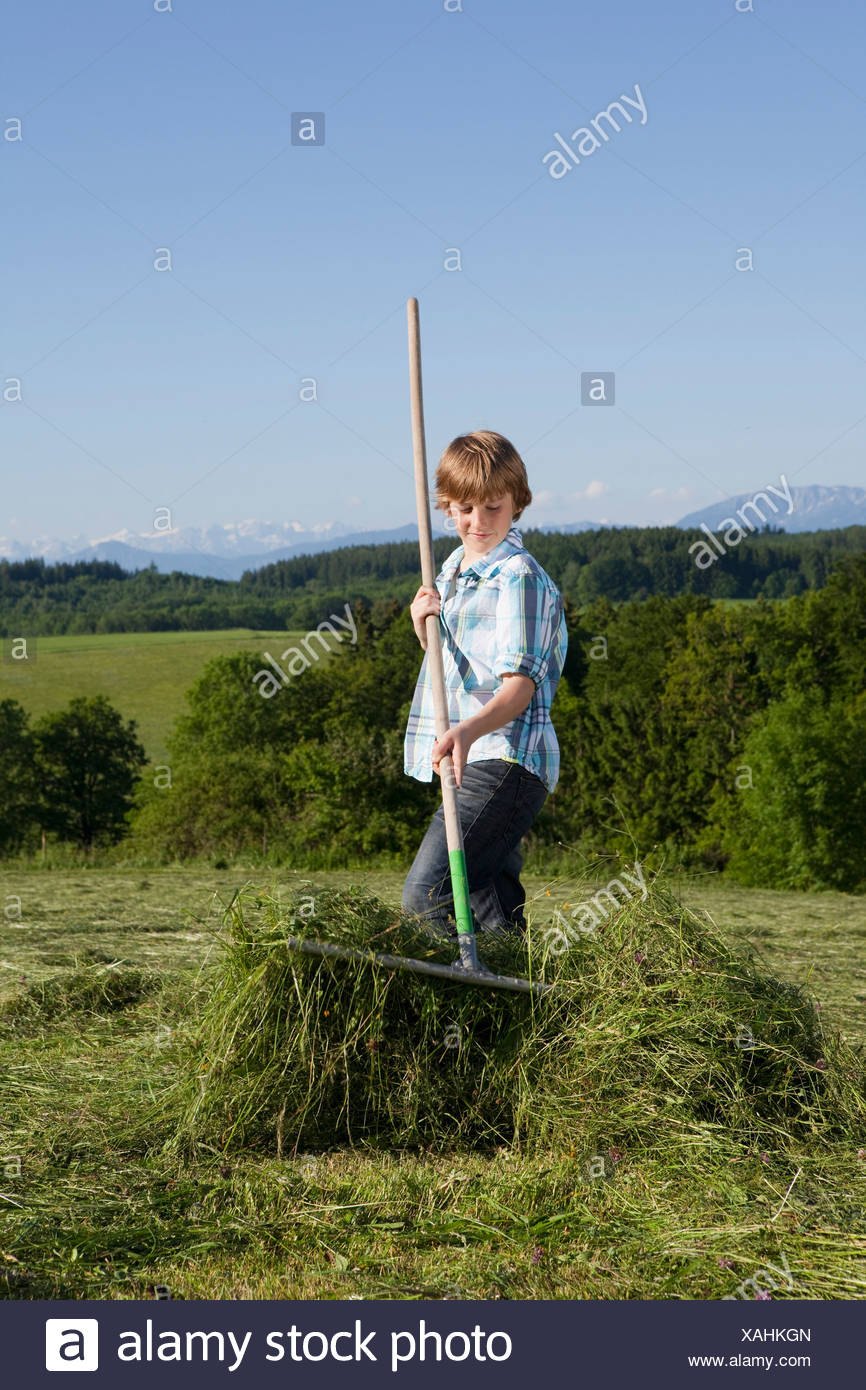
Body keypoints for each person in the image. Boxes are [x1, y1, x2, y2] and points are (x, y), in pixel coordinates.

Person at [402, 430, 568, 940]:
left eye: (493, 508)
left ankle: (447, 996)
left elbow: (518, 689)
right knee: (491, 908)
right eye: (465, 508)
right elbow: (452, 666)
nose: (478, 523)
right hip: (472, 755)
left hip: (505, 760)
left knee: (424, 897)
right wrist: (421, 623)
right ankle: (518, 1006)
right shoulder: (451, 569)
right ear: (446, 507)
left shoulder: (519, 577)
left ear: (518, 503)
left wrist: (468, 732)